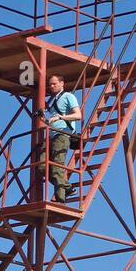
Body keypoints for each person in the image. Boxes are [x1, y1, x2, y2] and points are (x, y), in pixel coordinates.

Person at [42, 74, 81, 204]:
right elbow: (50, 120)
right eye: (50, 84)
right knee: (42, 167)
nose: (52, 86)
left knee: (57, 168)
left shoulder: (68, 96)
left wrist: (60, 117)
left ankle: (60, 200)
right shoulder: (54, 100)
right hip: (51, 135)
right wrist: (42, 118)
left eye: (54, 83)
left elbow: (78, 115)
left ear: (62, 83)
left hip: (62, 135)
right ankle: (68, 188)